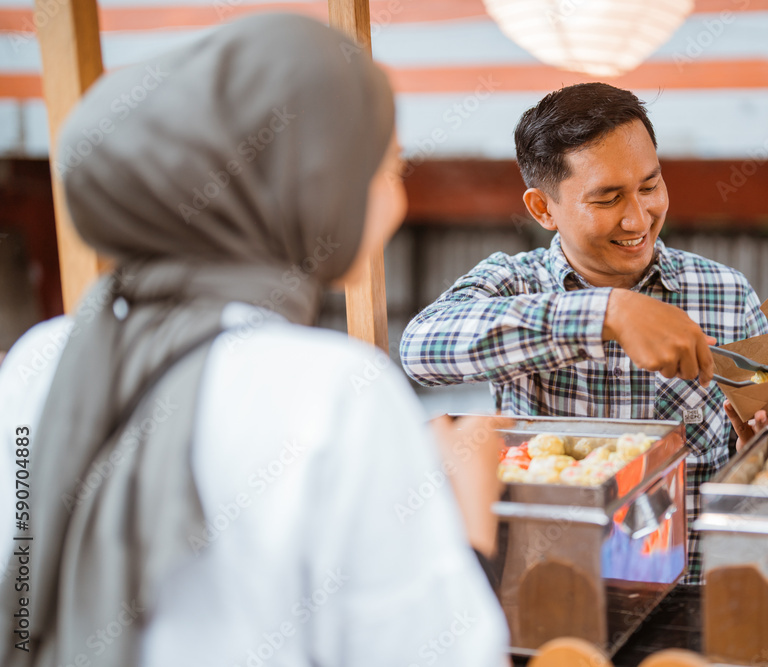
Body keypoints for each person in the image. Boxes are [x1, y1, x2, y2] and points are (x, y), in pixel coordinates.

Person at [0, 14, 507, 667]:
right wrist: (469, 519)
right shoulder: (336, 393)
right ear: (304, 184)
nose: (396, 202)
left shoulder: (41, 358)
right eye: (384, 168)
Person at [399, 82, 768, 584]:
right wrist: (607, 313)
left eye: (650, 186)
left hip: (687, 596)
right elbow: (422, 347)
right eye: (608, 198)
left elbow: (752, 487)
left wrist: (762, 448)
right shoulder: (513, 283)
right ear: (542, 209)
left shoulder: (725, 293)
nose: (638, 217)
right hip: (545, 588)